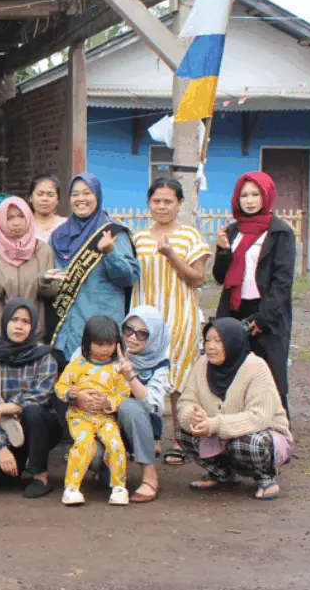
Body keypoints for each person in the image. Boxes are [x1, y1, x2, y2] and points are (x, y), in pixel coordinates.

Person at [131, 177, 210, 466]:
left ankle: (179, 438)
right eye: (156, 201)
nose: (161, 206)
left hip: (179, 317)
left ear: (178, 204)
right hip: (144, 318)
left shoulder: (190, 237)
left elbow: (197, 278)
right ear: (148, 203)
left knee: (177, 381)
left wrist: (171, 255)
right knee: (143, 377)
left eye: (168, 201)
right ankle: (148, 438)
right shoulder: (137, 238)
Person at [178, 318, 293, 501]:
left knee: (247, 443)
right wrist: (193, 416)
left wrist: (213, 424)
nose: (211, 347)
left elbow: (258, 418)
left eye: (218, 341)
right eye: (208, 340)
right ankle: (221, 474)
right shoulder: (202, 364)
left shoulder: (256, 367)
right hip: (220, 433)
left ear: (233, 341)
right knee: (184, 433)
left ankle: (266, 478)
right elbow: (187, 400)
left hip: (262, 434)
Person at [212, 172, 295, 413]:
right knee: (232, 371)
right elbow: (220, 277)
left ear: (266, 195)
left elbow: (282, 282)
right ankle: (235, 431)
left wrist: (262, 318)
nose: (249, 200)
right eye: (243, 195)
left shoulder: (280, 232)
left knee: (270, 374)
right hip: (235, 310)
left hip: (268, 313)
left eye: (255, 194)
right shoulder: (232, 231)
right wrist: (223, 251)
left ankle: (278, 436)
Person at [48, 174, 140, 365]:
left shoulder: (112, 232)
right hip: (67, 330)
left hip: (101, 330)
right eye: (75, 194)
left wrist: (110, 253)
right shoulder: (59, 236)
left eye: (87, 193)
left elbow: (128, 278)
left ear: (97, 196)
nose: (81, 199)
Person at [0, 299, 62, 498]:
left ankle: (40, 475)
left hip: (41, 426)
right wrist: (0, 447)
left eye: (26, 321)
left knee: (34, 410)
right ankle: (20, 461)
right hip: (7, 431)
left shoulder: (44, 356)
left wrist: (3, 408)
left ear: (33, 327)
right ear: (5, 322)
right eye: (14, 319)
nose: (19, 326)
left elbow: (42, 393)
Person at [55, 315, 138, 506]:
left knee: (116, 444)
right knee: (84, 444)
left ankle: (119, 487)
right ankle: (72, 487)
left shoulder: (117, 369)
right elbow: (60, 387)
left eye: (110, 344)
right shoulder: (77, 365)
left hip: (105, 418)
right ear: (87, 343)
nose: (105, 349)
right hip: (79, 416)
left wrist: (108, 402)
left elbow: (124, 394)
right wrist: (72, 394)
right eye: (99, 344)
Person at [0, 197, 59, 343]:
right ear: (1, 221)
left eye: (21, 216)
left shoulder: (43, 250)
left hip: (33, 331)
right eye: (10, 217)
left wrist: (45, 281)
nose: (16, 222)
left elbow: (51, 294)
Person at [113, 305, 169, 503]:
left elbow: (154, 407)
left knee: (129, 406)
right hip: (106, 423)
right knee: (95, 462)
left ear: (153, 336)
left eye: (142, 334)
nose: (132, 337)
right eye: (128, 329)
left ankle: (149, 474)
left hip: (141, 422)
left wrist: (130, 377)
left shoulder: (159, 363)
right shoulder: (109, 347)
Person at [28, 174, 68, 243]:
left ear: (57, 200)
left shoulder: (66, 225)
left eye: (50, 195)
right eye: (40, 194)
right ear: (31, 198)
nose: (45, 199)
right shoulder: (23, 227)